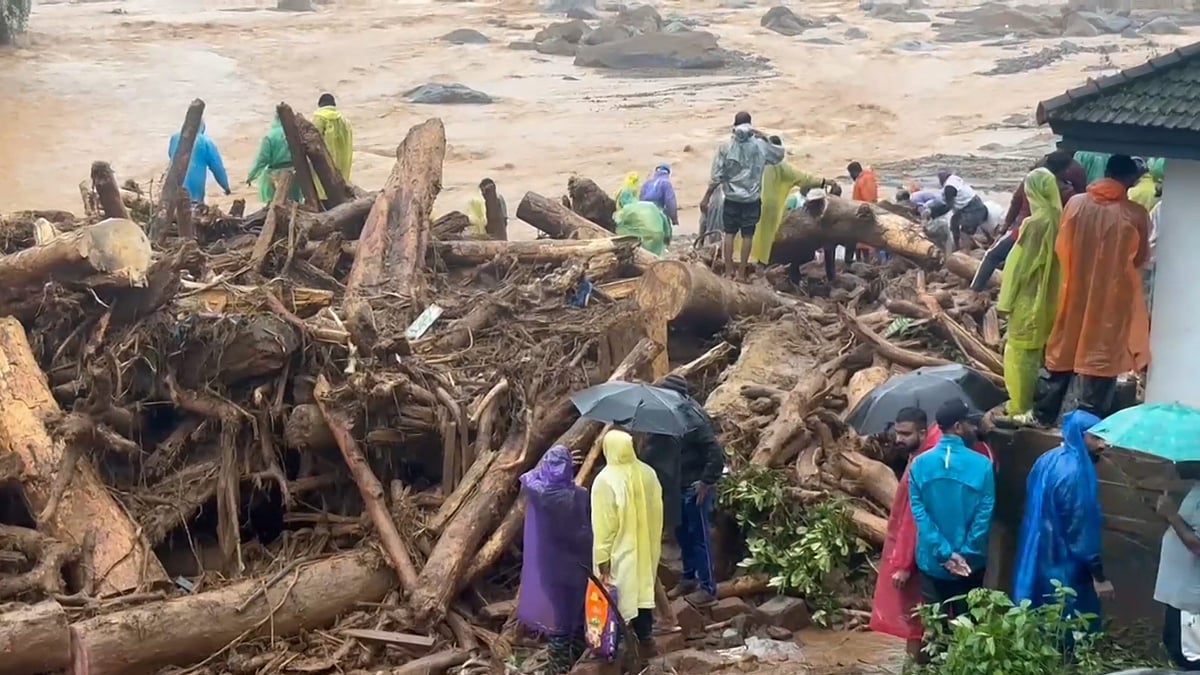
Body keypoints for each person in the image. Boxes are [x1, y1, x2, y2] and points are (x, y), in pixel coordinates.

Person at [1032, 154, 1151, 426]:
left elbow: (1062, 246)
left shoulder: (1075, 204)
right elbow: (1140, 257)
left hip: (1072, 289)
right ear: (1130, 179)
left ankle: (1042, 417)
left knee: (1062, 350)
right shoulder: (1135, 214)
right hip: (1110, 297)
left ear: (1105, 172)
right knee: (1102, 357)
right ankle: (1089, 425)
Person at [1012, 410, 1110, 634]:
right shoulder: (1076, 474)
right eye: (1095, 437)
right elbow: (1081, 530)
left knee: (1035, 611)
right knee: (1067, 622)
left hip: (1037, 549)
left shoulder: (1049, 458)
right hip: (1063, 561)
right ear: (1079, 436)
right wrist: (1099, 576)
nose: (1102, 445)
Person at [908, 399, 995, 622]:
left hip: (931, 561)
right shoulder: (982, 465)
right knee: (968, 625)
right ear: (957, 427)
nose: (974, 428)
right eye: (969, 423)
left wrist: (944, 553)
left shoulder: (919, 464)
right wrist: (966, 553)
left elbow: (920, 515)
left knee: (936, 625)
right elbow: (984, 515)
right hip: (970, 564)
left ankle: (937, 657)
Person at [642, 374, 725, 608]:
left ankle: (708, 588)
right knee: (682, 535)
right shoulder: (670, 416)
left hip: (694, 487)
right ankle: (688, 578)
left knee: (699, 536)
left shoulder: (693, 419)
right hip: (677, 486)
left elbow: (715, 454)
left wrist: (706, 482)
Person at [870, 407, 940, 660]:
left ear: (923, 432)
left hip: (920, 552)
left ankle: (915, 666)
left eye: (905, 433)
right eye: (897, 432)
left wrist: (903, 563)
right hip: (926, 550)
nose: (898, 438)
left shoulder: (925, 460)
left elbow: (914, 518)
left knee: (916, 616)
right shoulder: (920, 452)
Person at [516, 446, 591, 674]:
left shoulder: (539, 492)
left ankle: (558, 668)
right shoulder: (580, 494)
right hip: (579, 564)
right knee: (578, 614)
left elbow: (527, 475)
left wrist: (552, 464)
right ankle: (579, 660)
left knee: (559, 618)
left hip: (551, 565)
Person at [996, 169, 1064, 423]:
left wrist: (1006, 302)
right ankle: (1031, 404)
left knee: (1018, 355)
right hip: (1051, 298)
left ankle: (1019, 408)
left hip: (1029, 298)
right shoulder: (1060, 219)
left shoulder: (1034, 224)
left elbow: (1017, 266)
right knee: (1037, 354)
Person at [592, 430, 664, 649]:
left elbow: (604, 525)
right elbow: (658, 509)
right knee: (643, 588)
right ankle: (645, 638)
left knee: (618, 594)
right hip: (646, 545)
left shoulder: (605, 480)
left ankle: (617, 642)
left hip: (619, 549)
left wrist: (602, 558)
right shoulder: (648, 473)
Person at [975, 151, 1081, 292]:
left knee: (992, 256)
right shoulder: (1066, 190)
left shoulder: (1031, 180)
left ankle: (975, 289)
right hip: (1050, 235)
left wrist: (1006, 226)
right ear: (1065, 170)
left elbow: (1015, 202)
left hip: (1021, 230)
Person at [700, 111, 785, 281]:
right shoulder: (760, 146)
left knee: (729, 233)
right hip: (752, 199)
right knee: (747, 235)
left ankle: (729, 270)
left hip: (731, 198)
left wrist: (706, 196)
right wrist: (764, 135)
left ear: (734, 125)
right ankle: (741, 273)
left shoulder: (725, 147)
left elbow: (717, 175)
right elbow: (779, 155)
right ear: (750, 125)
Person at [745, 136, 825, 265]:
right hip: (771, 208)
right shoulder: (780, 165)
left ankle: (750, 262)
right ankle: (762, 263)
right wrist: (823, 182)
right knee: (768, 237)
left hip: (752, 203)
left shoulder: (754, 161)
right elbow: (802, 177)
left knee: (752, 234)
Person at [1154, 465, 1200, 671]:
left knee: (1189, 658)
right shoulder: (1197, 488)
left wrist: (1171, 514)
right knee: (1175, 646)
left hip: (1190, 600)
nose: (1181, 463)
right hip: (1180, 593)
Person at [168, 121, 231, 204]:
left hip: (173, 188)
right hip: (195, 194)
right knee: (195, 211)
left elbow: (170, 155)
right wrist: (226, 187)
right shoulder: (205, 142)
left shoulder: (174, 138)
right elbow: (217, 168)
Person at [927, 171, 989, 253]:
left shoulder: (949, 187)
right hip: (974, 204)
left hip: (971, 208)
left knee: (964, 231)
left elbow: (948, 206)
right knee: (954, 222)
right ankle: (957, 247)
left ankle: (967, 253)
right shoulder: (954, 179)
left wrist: (934, 213)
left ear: (942, 179)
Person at [246, 114, 302, 204]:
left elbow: (262, 159)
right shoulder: (296, 133)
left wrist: (251, 176)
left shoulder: (270, 136)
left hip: (276, 176)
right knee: (294, 203)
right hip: (295, 174)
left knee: (274, 204)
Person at [312, 93, 353, 187]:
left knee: (322, 189)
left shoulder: (319, 117)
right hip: (342, 163)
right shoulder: (345, 121)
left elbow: (312, 140)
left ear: (320, 105)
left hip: (325, 163)